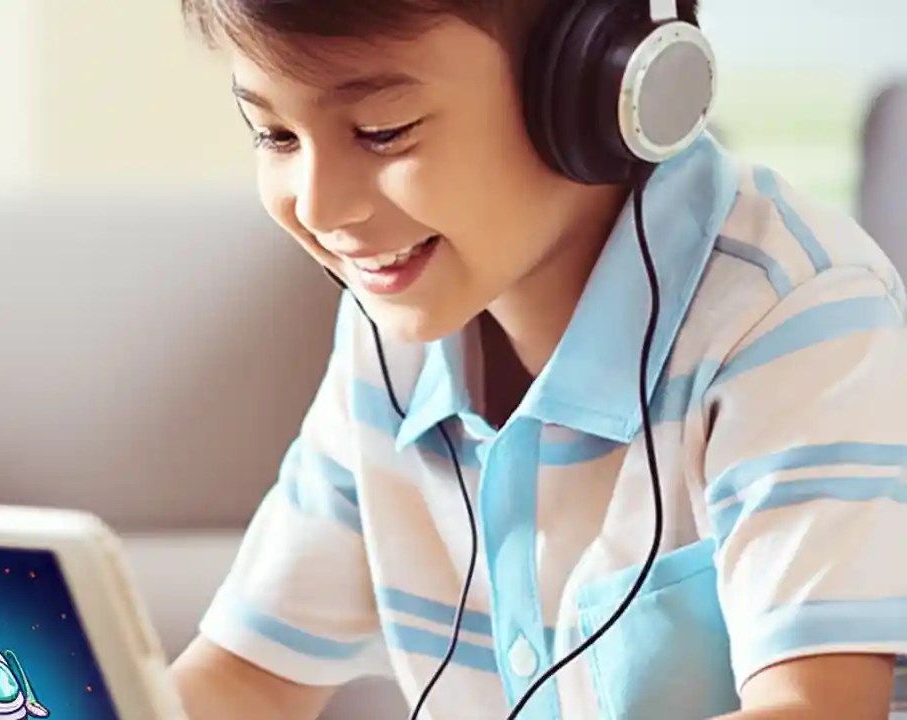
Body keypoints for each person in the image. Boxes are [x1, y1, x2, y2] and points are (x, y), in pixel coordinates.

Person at [167, 0, 907, 718]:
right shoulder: (387, 337)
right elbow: (247, 678)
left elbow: (817, 709)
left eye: (381, 131)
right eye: (274, 136)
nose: (321, 208)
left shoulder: (796, 316)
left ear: (599, 85)